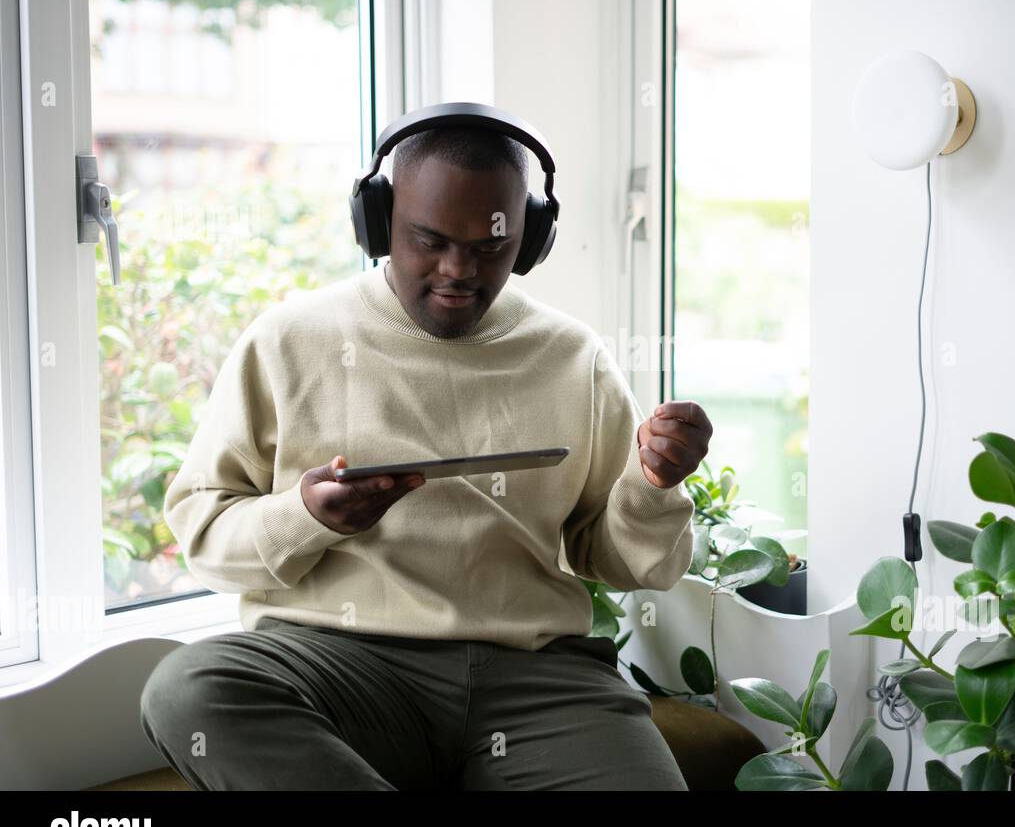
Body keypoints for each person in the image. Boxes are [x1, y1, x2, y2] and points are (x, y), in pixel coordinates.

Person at [139, 120, 712, 790]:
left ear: (529, 237)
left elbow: (617, 557)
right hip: (341, 668)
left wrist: (652, 484)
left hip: (537, 680)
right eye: (431, 241)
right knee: (187, 689)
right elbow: (205, 533)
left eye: (489, 245)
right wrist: (308, 515)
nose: (459, 271)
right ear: (381, 221)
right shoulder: (288, 341)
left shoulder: (572, 357)